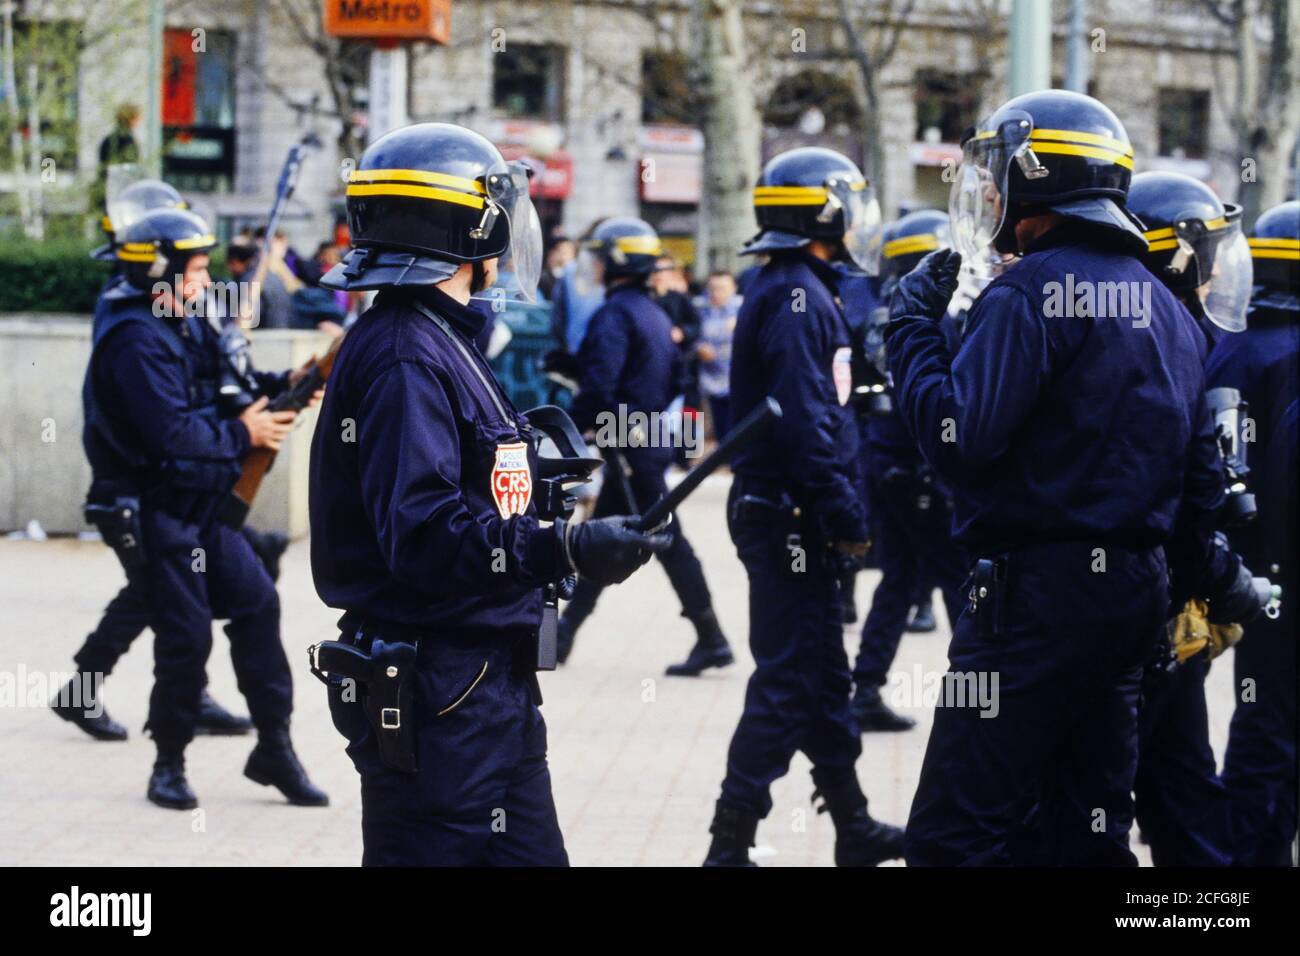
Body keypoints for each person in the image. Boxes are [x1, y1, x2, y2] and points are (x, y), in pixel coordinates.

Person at [889, 90, 1265, 865]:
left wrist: (911, 332)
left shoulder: (1028, 291)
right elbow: (1195, 484)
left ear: (1038, 181)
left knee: (951, 833)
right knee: (1088, 829)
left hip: (1027, 603)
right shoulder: (1165, 306)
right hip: (1131, 602)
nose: (988, 196)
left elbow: (960, 440)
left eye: (996, 178)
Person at [309, 123, 669, 866]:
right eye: (501, 208)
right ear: (466, 224)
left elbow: (459, 485)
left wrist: (538, 483)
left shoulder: (441, 336)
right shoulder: (408, 352)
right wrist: (560, 546)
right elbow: (423, 534)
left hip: (481, 681)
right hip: (442, 686)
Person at [77, 206, 328, 810]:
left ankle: (274, 748)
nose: (204, 281)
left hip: (199, 509)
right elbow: (170, 433)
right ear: (157, 270)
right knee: (185, 637)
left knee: (257, 604)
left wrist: (282, 382)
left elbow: (222, 384)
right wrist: (247, 435)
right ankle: (168, 765)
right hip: (155, 508)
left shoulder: (179, 319)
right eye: (192, 270)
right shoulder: (135, 336)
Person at [704, 146, 905, 867]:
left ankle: (852, 825)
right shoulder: (797, 295)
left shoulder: (799, 287)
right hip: (790, 516)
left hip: (792, 513)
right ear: (826, 211)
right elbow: (807, 421)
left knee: (821, 681)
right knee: (789, 679)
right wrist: (844, 514)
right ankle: (727, 846)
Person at [1125, 171, 1256, 865]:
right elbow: (1193, 492)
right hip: (1162, 604)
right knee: (1173, 782)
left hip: (1155, 607)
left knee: (1167, 779)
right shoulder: (1178, 339)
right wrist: (1225, 577)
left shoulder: (1149, 330)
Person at [556, 218, 733, 677]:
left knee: (668, 542)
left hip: (631, 447)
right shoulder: (654, 312)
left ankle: (712, 638)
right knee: (607, 538)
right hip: (642, 441)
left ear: (614, 262)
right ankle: (563, 635)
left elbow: (600, 388)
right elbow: (676, 377)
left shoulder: (615, 314)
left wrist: (569, 428)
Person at [849, 210, 970, 734]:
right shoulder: (929, 319)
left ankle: (867, 688)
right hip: (923, 474)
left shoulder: (882, 313)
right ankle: (978, 700)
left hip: (888, 467)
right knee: (965, 588)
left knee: (899, 582)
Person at [1206, 199, 1300, 866]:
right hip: (1283, 567)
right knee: (1274, 733)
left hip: (1237, 569)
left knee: (1260, 721)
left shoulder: (1228, 345)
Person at [694, 271, 740, 441]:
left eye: (721, 288)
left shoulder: (743, 308)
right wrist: (698, 348)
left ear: (733, 288)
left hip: (737, 378)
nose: (716, 293)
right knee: (719, 425)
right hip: (711, 378)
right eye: (712, 288)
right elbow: (691, 334)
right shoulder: (699, 308)